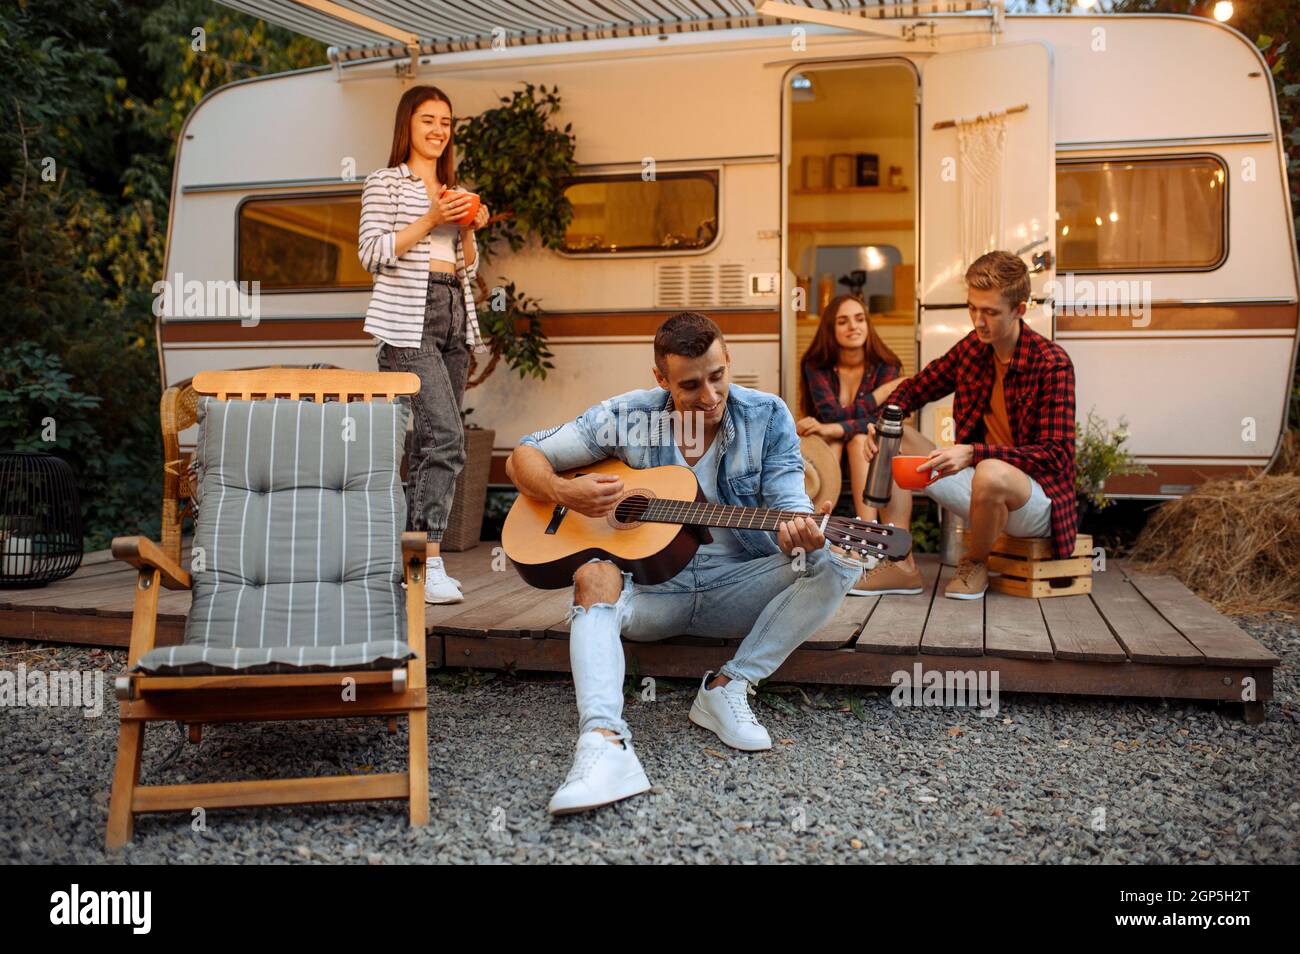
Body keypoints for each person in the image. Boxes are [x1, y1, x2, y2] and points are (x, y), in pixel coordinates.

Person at [506, 312, 867, 815]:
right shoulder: (628, 415)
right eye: (691, 384)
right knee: (592, 572)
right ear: (661, 379)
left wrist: (799, 536)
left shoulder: (767, 416)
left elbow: (789, 499)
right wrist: (564, 489)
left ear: (728, 360)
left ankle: (729, 685)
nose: (710, 395)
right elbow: (524, 455)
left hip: (736, 588)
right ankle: (604, 743)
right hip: (651, 594)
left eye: (718, 376)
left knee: (833, 560)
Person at [856, 251, 1078, 600]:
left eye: (990, 312)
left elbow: (1055, 456)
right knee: (893, 436)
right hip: (979, 483)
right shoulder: (973, 349)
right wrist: (884, 425)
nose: (978, 321)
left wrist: (974, 453)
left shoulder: (1052, 364)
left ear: (1020, 309)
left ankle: (976, 563)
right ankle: (900, 562)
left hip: (1035, 501)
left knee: (991, 470)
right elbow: (916, 388)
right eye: (972, 308)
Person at [358, 85, 491, 604]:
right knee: (447, 441)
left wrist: (469, 229)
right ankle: (427, 561)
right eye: (428, 120)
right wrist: (432, 218)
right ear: (406, 126)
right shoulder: (385, 183)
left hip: (453, 313)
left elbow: (468, 268)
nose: (439, 130)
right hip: (407, 319)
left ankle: (413, 558)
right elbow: (372, 253)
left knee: (428, 442)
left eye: (446, 122)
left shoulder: (453, 187)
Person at [797, 294, 905, 524]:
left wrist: (834, 429)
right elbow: (830, 414)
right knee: (837, 442)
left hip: (868, 451)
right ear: (830, 328)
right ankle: (811, 527)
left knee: (858, 441)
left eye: (859, 319)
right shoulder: (816, 365)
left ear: (868, 324)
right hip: (826, 450)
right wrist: (880, 394)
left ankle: (866, 531)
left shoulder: (887, 365)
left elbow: (879, 420)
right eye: (842, 321)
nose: (853, 326)